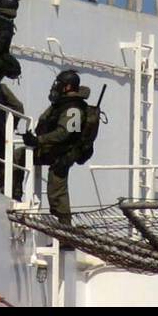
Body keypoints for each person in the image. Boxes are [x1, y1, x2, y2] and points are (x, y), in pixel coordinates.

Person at [23, 70, 95, 223]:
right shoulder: (61, 104)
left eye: (59, 84)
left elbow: (65, 133)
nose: (56, 87)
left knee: (57, 190)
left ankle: (65, 229)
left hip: (64, 153)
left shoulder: (74, 108)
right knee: (18, 156)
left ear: (68, 86)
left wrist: (38, 140)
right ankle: (13, 194)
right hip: (52, 149)